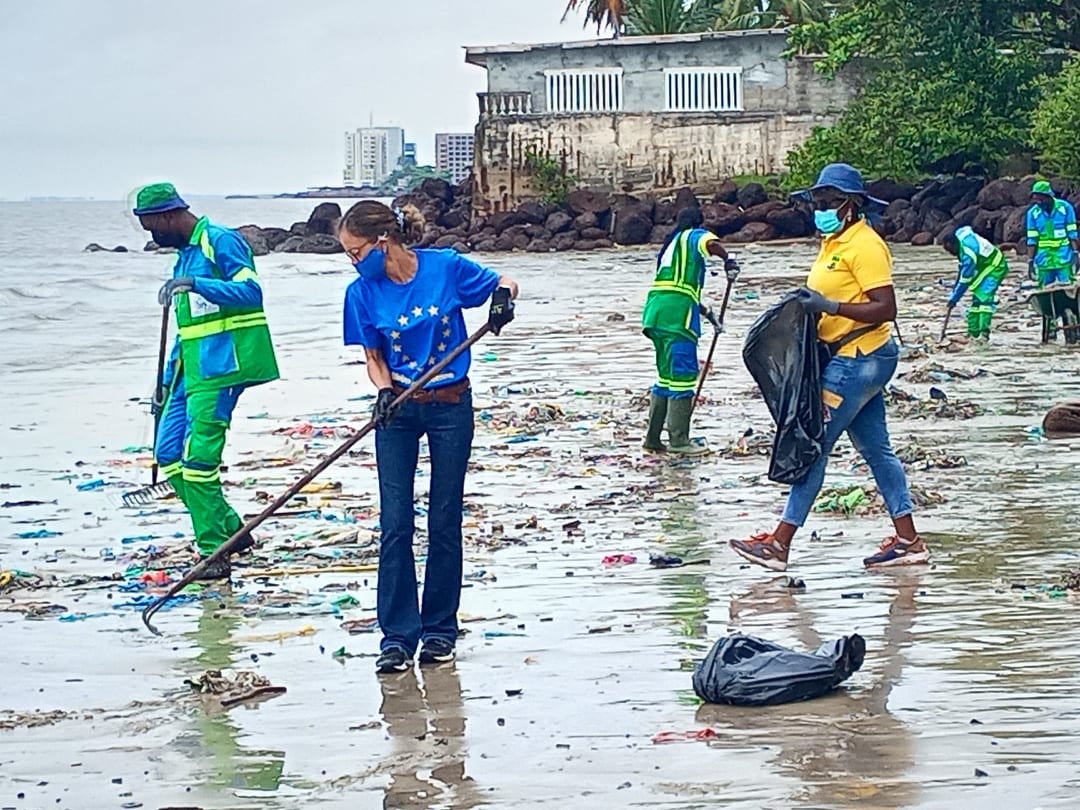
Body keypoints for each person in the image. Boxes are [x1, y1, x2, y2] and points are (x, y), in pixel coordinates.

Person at [338, 200, 518, 674]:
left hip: (450, 405)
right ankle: (397, 637)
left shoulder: (445, 269)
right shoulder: (361, 293)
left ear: (382, 242)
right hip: (398, 409)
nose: (353, 262)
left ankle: (440, 631)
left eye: (356, 252)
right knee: (396, 523)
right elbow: (374, 357)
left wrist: (502, 302)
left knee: (444, 518)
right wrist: (383, 393)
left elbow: (504, 282)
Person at [730, 163, 929, 572]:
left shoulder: (865, 245)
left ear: (851, 204)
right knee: (877, 451)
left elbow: (886, 308)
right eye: (817, 202)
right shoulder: (834, 242)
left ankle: (779, 544)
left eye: (829, 202)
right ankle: (909, 542)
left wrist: (831, 306)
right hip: (853, 358)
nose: (821, 209)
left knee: (813, 444)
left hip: (860, 359)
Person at [134, 182, 279, 579]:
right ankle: (232, 530)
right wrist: (165, 382)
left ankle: (214, 552)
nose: (153, 237)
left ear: (168, 216)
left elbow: (250, 292)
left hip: (222, 367)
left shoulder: (220, 241)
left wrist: (198, 284)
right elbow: (188, 330)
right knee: (167, 454)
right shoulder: (184, 257)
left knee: (199, 462)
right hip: (189, 371)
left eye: (152, 227)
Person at [641, 207, 739, 455]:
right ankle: (679, 441)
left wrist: (708, 315)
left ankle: (653, 439)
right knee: (683, 376)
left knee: (665, 378)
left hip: (656, 315)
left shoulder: (670, 246)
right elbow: (710, 243)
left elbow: (679, 288)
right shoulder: (692, 235)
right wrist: (728, 261)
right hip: (677, 319)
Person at [942, 226, 1009, 342]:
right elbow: (967, 228)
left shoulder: (969, 256)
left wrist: (954, 298)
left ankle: (984, 334)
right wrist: (955, 288)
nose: (950, 253)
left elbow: (965, 281)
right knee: (976, 301)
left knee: (985, 299)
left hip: (996, 266)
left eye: (950, 250)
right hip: (984, 266)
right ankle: (973, 333)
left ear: (954, 245)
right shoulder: (961, 234)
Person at [1026, 180, 1079, 289]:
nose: (1038, 203)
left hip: (1063, 258)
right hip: (1044, 260)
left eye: (1041, 199)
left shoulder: (1065, 208)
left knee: (1069, 288)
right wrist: (1030, 261)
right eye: (1036, 200)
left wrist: (1076, 253)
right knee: (1044, 289)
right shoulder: (1033, 213)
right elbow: (1032, 240)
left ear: (1049, 197)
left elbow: (1072, 233)